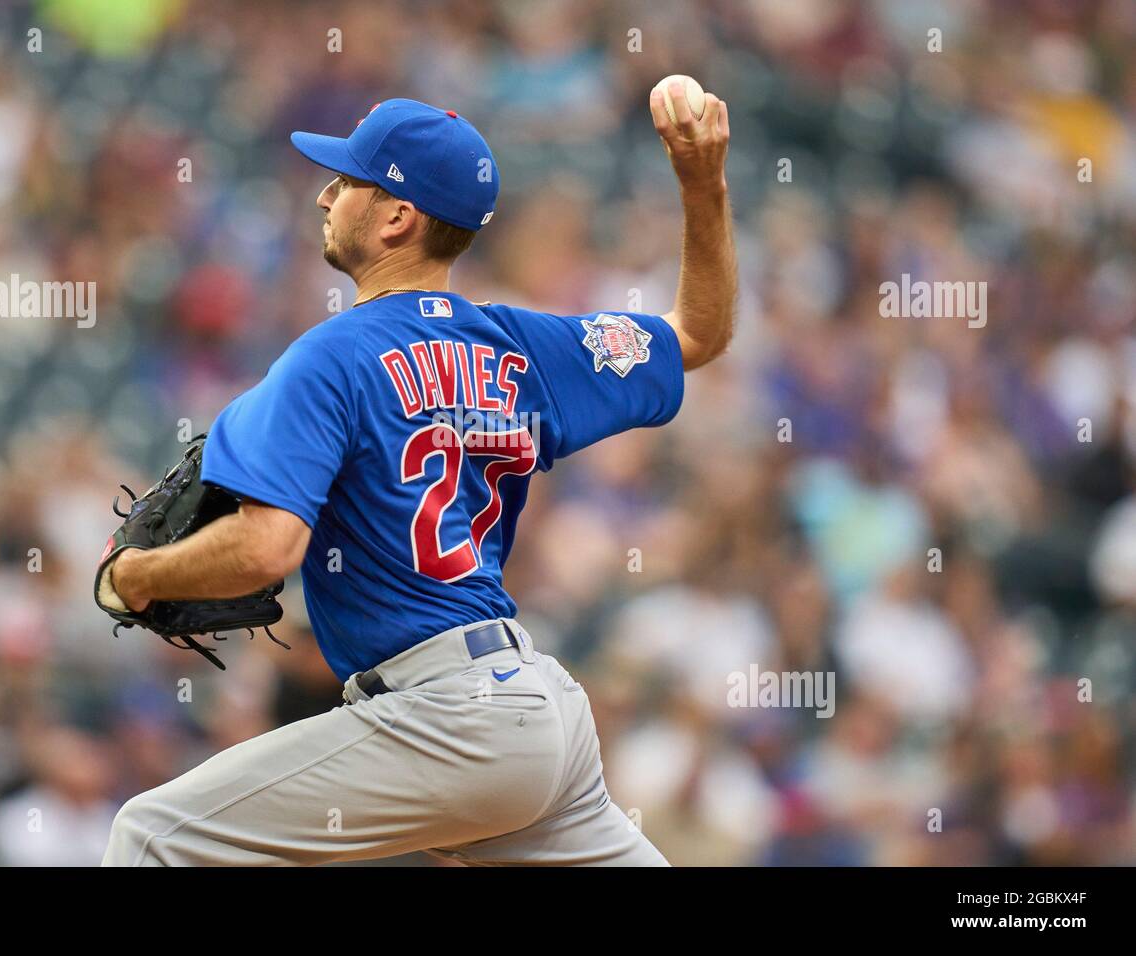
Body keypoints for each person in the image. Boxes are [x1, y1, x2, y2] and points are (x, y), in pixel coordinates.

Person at [100, 84, 735, 865]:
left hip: (447, 717)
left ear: (398, 216)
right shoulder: (519, 346)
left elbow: (267, 550)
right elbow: (699, 332)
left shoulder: (327, 360)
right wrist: (702, 182)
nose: (327, 195)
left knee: (150, 839)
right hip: (537, 716)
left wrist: (136, 575)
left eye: (349, 181)